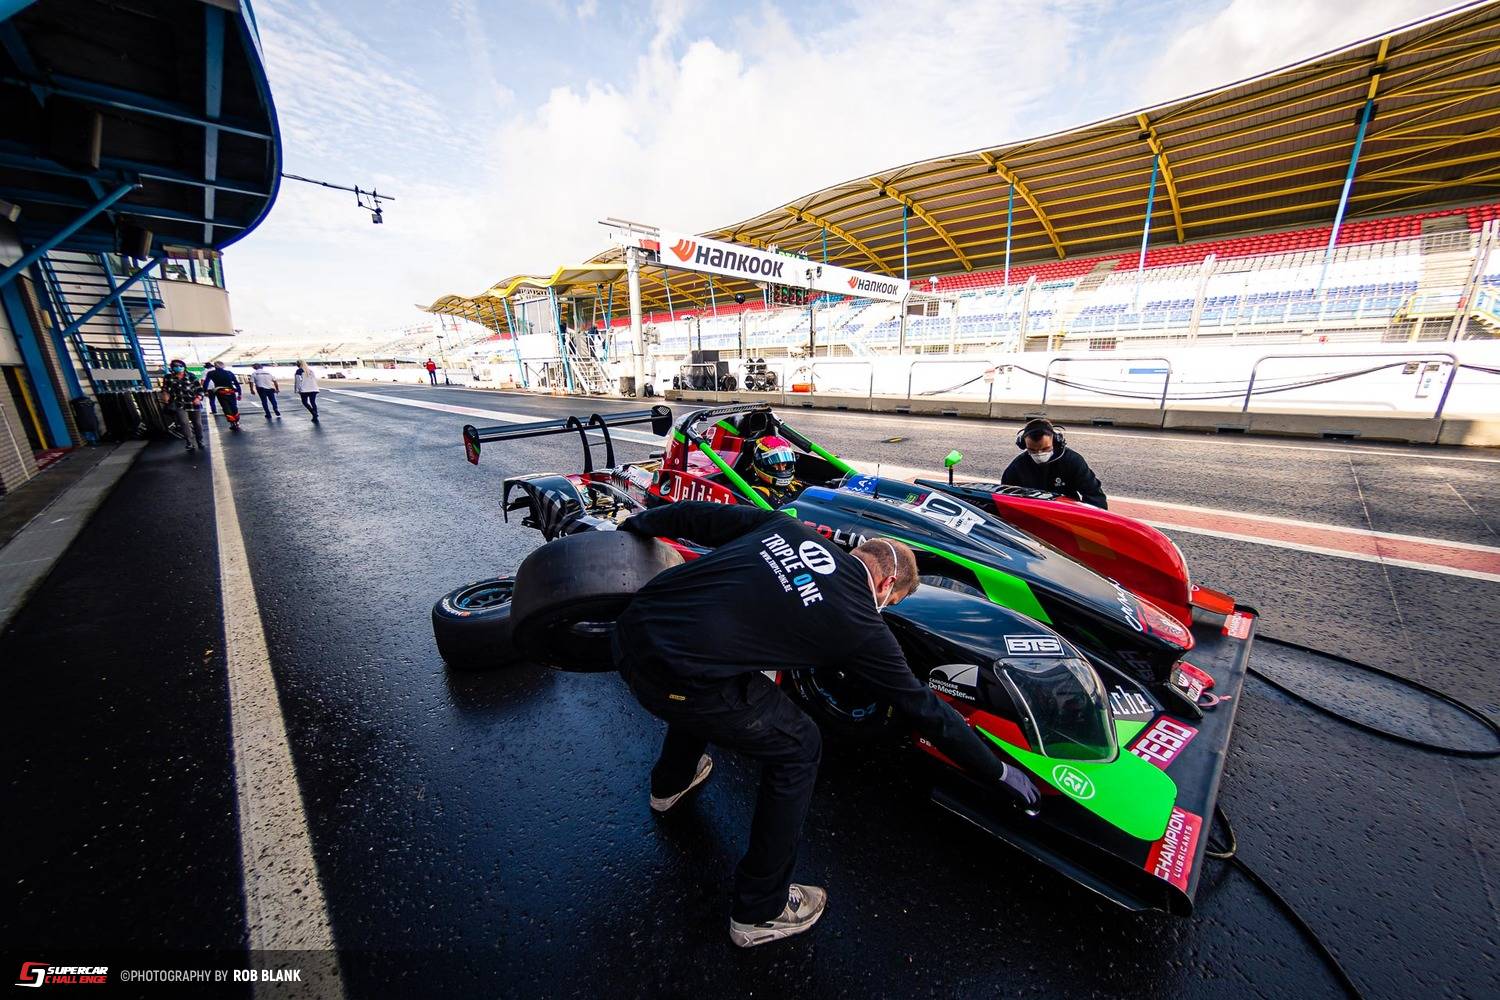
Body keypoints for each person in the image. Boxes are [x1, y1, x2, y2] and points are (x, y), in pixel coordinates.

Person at [611, 502, 1040, 948]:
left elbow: (697, 517)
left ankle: (670, 784)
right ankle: (760, 911)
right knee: (799, 744)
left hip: (630, 630)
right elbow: (925, 709)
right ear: (887, 583)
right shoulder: (861, 625)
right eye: (890, 602)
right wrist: (998, 771)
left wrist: (637, 524)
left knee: (721, 667)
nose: (884, 609)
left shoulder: (787, 527)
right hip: (668, 678)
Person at [1001, 418, 1107, 509]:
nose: (1039, 454)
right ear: (1024, 445)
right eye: (1032, 450)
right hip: (1033, 513)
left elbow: (1094, 495)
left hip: (1065, 512)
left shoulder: (1072, 461)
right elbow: (1004, 496)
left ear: (1055, 441)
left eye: (1045, 449)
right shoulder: (1018, 466)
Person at [158, 359, 204, 452]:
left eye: (180, 366)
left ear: (184, 367)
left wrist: (198, 398)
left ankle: (200, 441)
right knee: (184, 423)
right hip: (178, 403)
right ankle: (189, 442)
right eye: (175, 366)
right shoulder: (168, 377)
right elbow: (165, 389)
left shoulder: (191, 376)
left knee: (197, 424)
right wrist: (165, 396)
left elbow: (199, 389)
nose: (178, 368)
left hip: (193, 403)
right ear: (172, 368)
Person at [747, 435, 803, 507]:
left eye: (784, 463)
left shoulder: (795, 484)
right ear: (761, 463)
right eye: (775, 464)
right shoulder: (759, 493)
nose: (782, 469)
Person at [202, 361, 243, 432]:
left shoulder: (211, 373)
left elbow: (206, 383)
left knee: (225, 406)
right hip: (231, 391)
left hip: (220, 391)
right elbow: (236, 383)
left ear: (215, 366)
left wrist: (205, 391)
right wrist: (239, 393)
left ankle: (232, 423)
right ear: (223, 366)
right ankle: (237, 421)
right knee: (233, 406)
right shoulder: (229, 372)